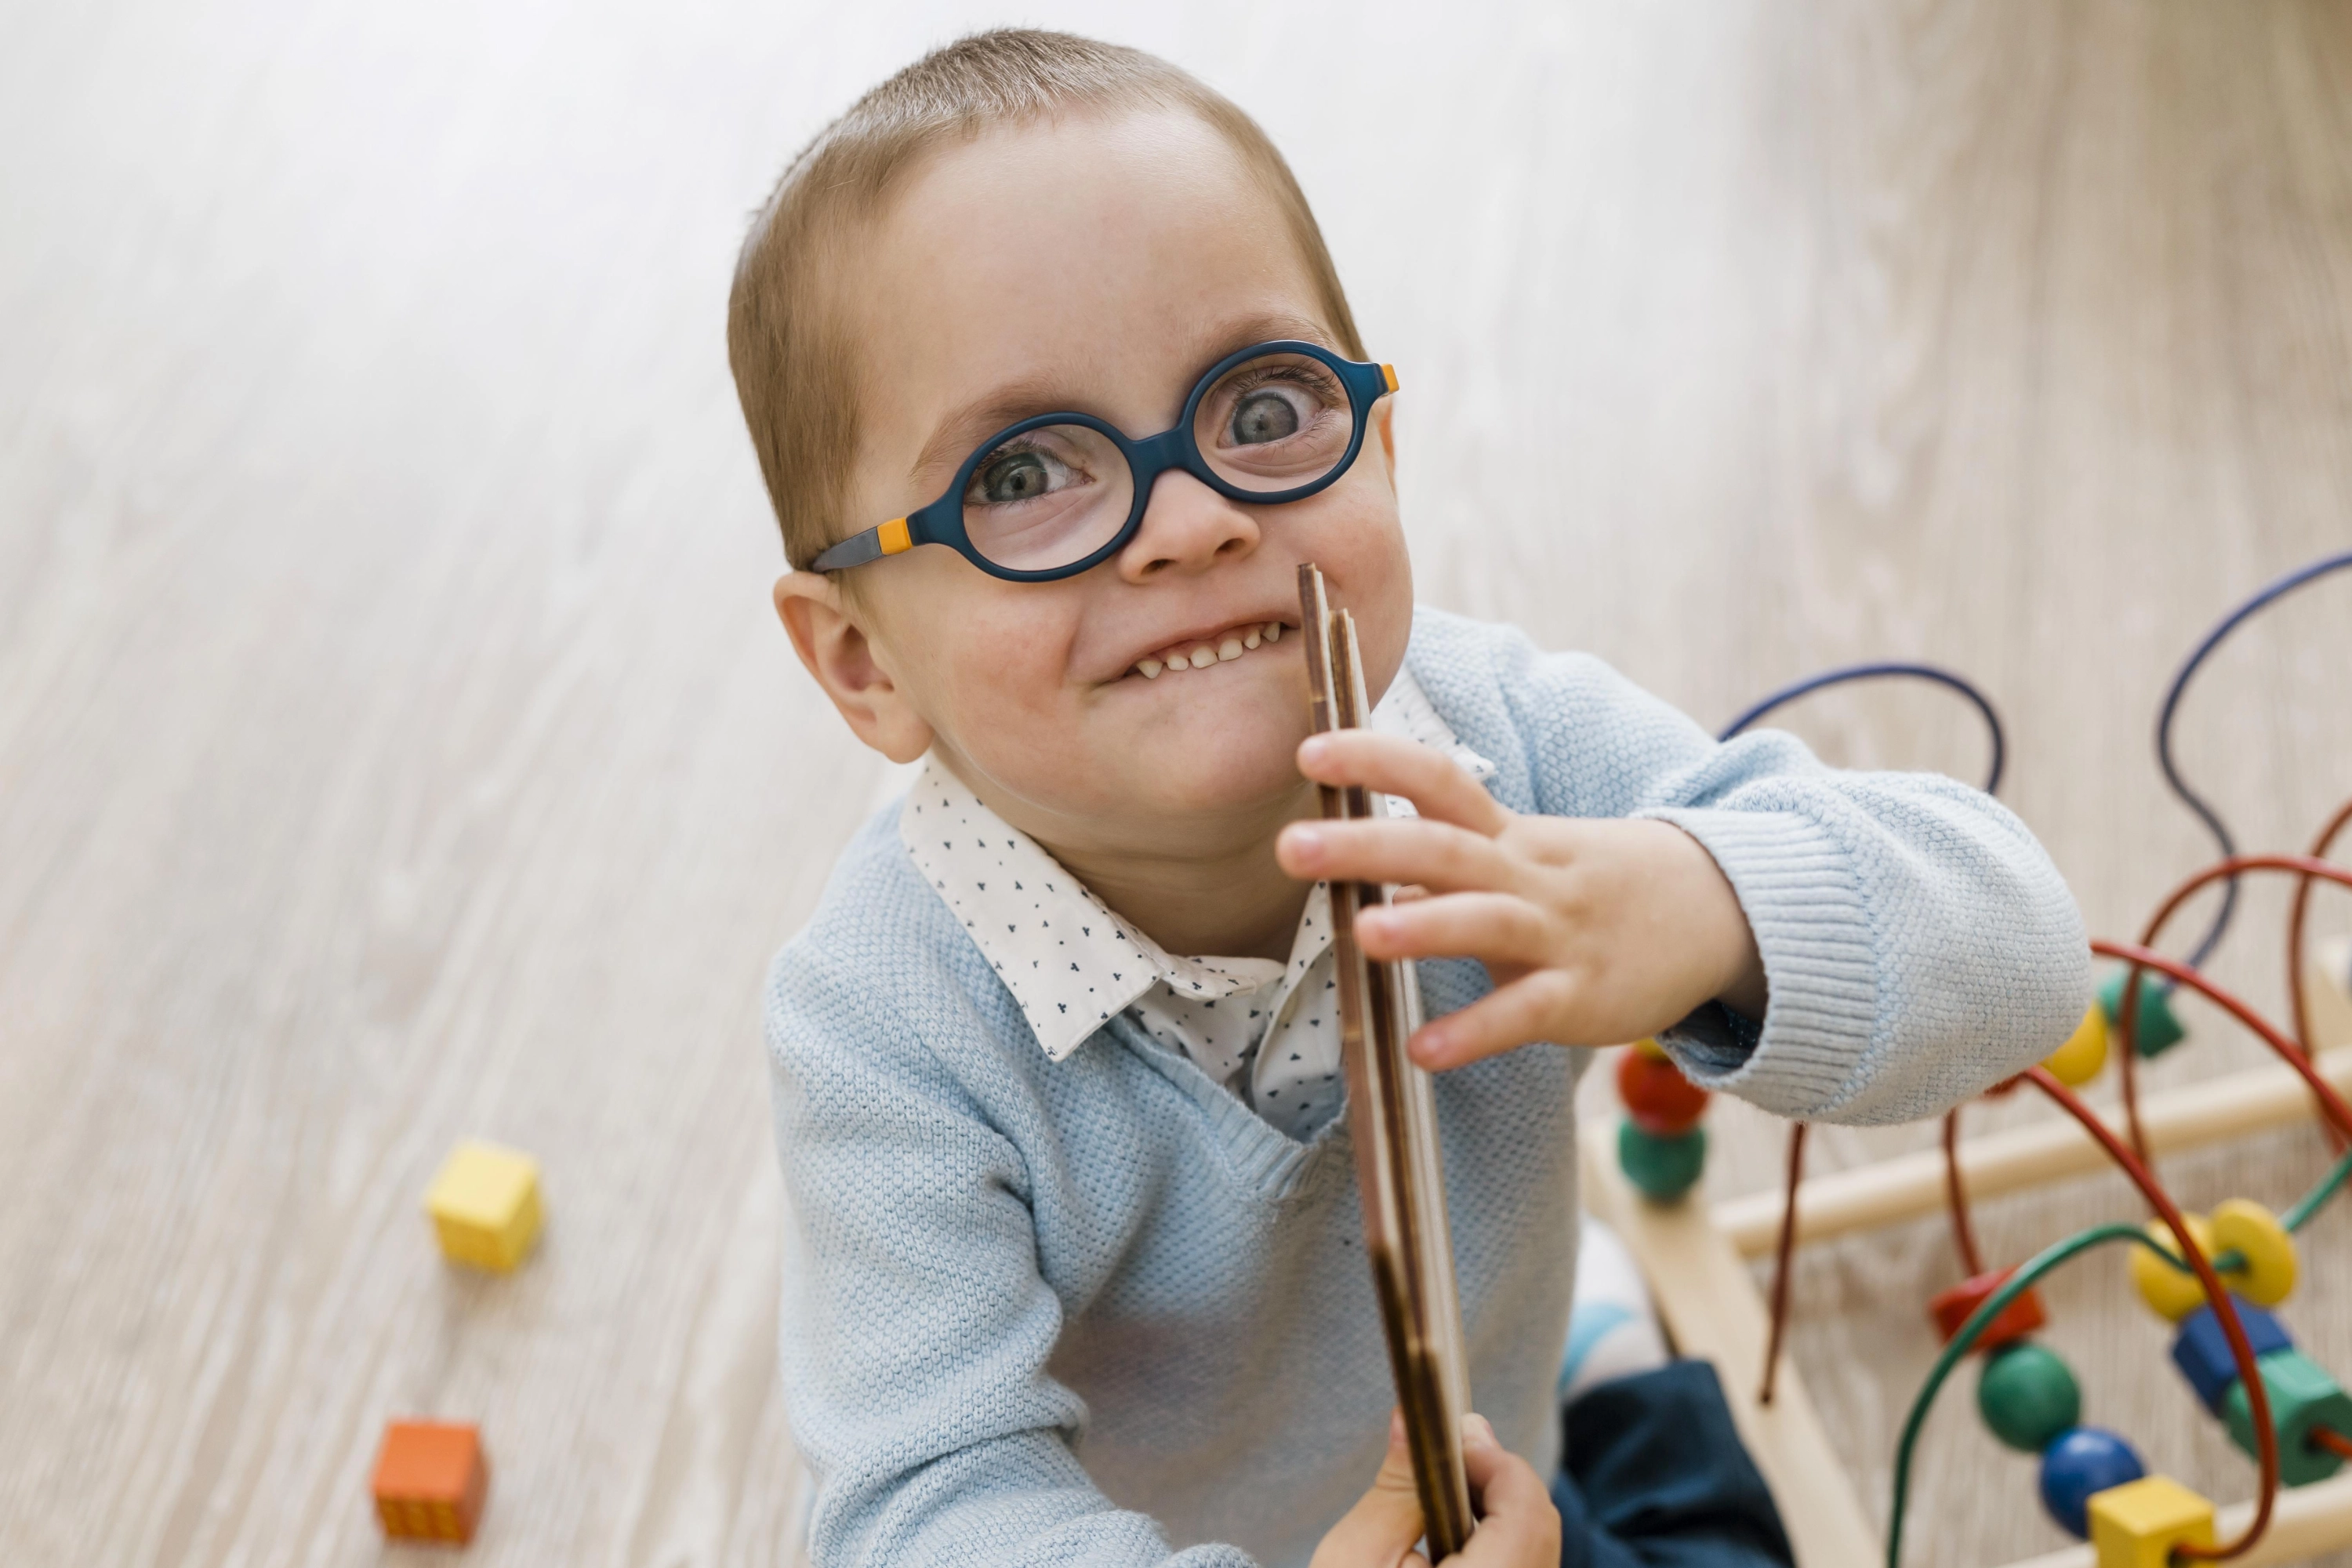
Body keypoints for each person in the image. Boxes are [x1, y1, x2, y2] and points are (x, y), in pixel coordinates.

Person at [726, 28, 2087, 1568]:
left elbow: (2027, 944)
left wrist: (1705, 903)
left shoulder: (1501, 746)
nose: (1189, 517)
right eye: (1023, 476)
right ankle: (1604, 1340)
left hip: (1509, 1477)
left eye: (1258, 409)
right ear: (859, 662)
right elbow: (915, 1517)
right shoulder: (884, 1026)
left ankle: (1601, 1352)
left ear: (1382, 440)